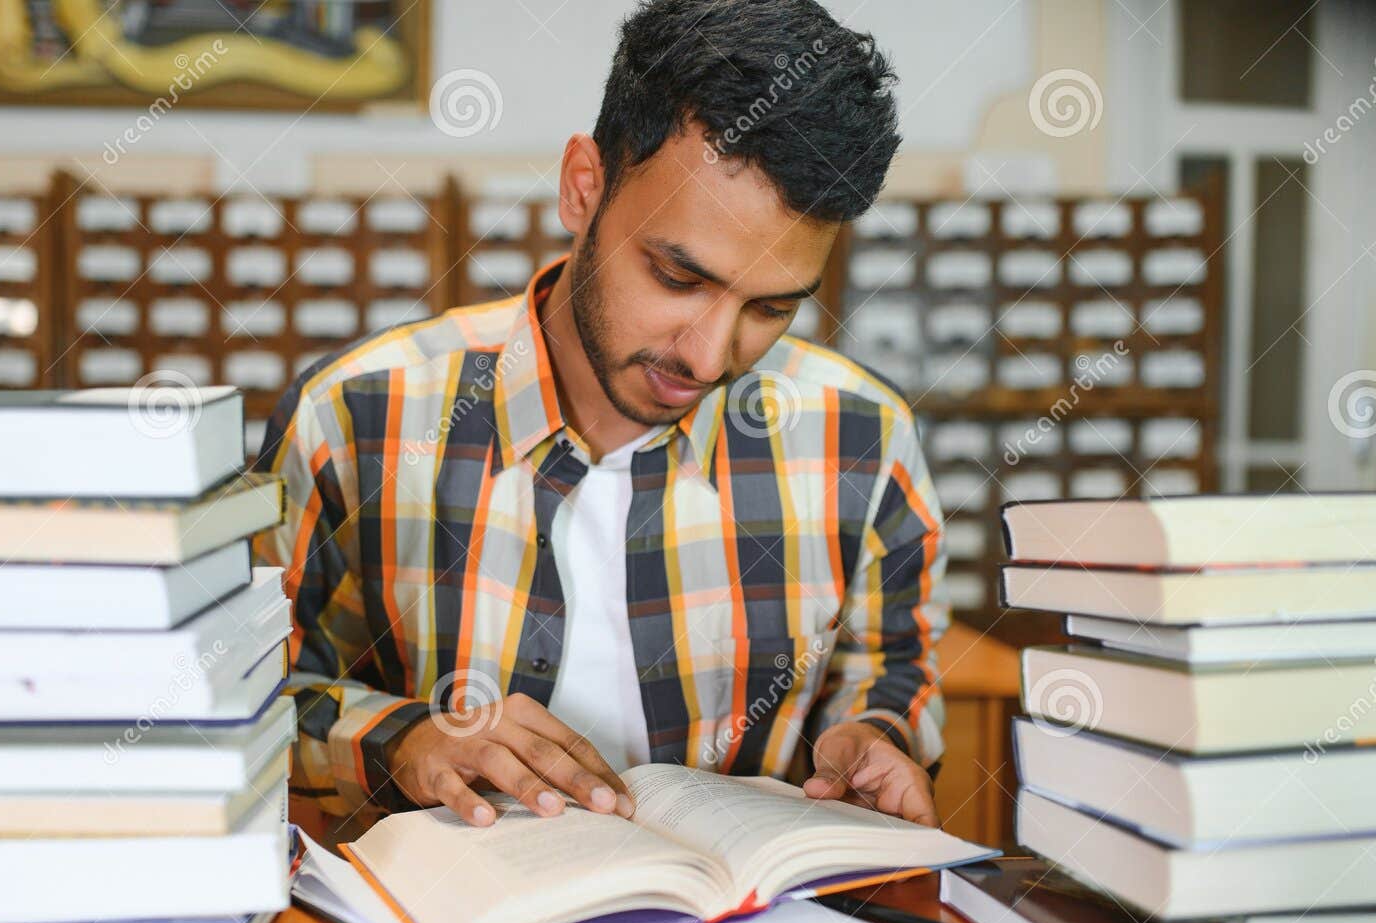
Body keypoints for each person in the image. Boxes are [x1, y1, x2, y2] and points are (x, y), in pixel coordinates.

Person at [258, 0, 946, 831]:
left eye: (771, 307)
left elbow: (891, 667)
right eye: (677, 277)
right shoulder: (356, 416)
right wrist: (402, 737)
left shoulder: (862, 437)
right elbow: (252, 699)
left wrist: (871, 732)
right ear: (583, 188)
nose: (707, 355)